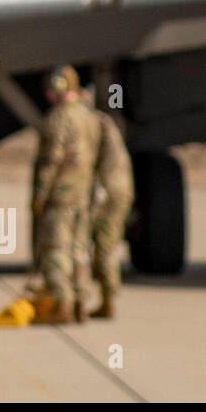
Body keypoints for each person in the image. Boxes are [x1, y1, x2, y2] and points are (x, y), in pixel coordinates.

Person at [31, 65, 102, 324]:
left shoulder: (58, 118)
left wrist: (40, 193)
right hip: (83, 194)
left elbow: (51, 160)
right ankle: (81, 300)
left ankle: (63, 303)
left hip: (60, 195)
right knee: (80, 248)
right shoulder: (91, 118)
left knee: (56, 248)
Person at [89, 109, 134, 318]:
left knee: (104, 247)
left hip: (109, 194)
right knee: (106, 244)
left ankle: (108, 300)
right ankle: (107, 298)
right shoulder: (108, 127)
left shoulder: (97, 125)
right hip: (118, 192)